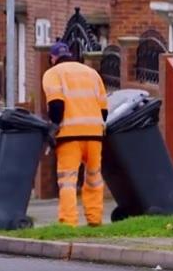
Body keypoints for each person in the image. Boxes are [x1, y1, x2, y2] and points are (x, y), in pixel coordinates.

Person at [42, 42, 109, 228]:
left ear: (53, 58)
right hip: (95, 134)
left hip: (69, 135)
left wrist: (54, 127)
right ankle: (95, 219)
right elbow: (104, 109)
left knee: (68, 181)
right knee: (94, 178)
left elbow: (56, 105)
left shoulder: (53, 74)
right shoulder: (91, 73)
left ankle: (68, 221)